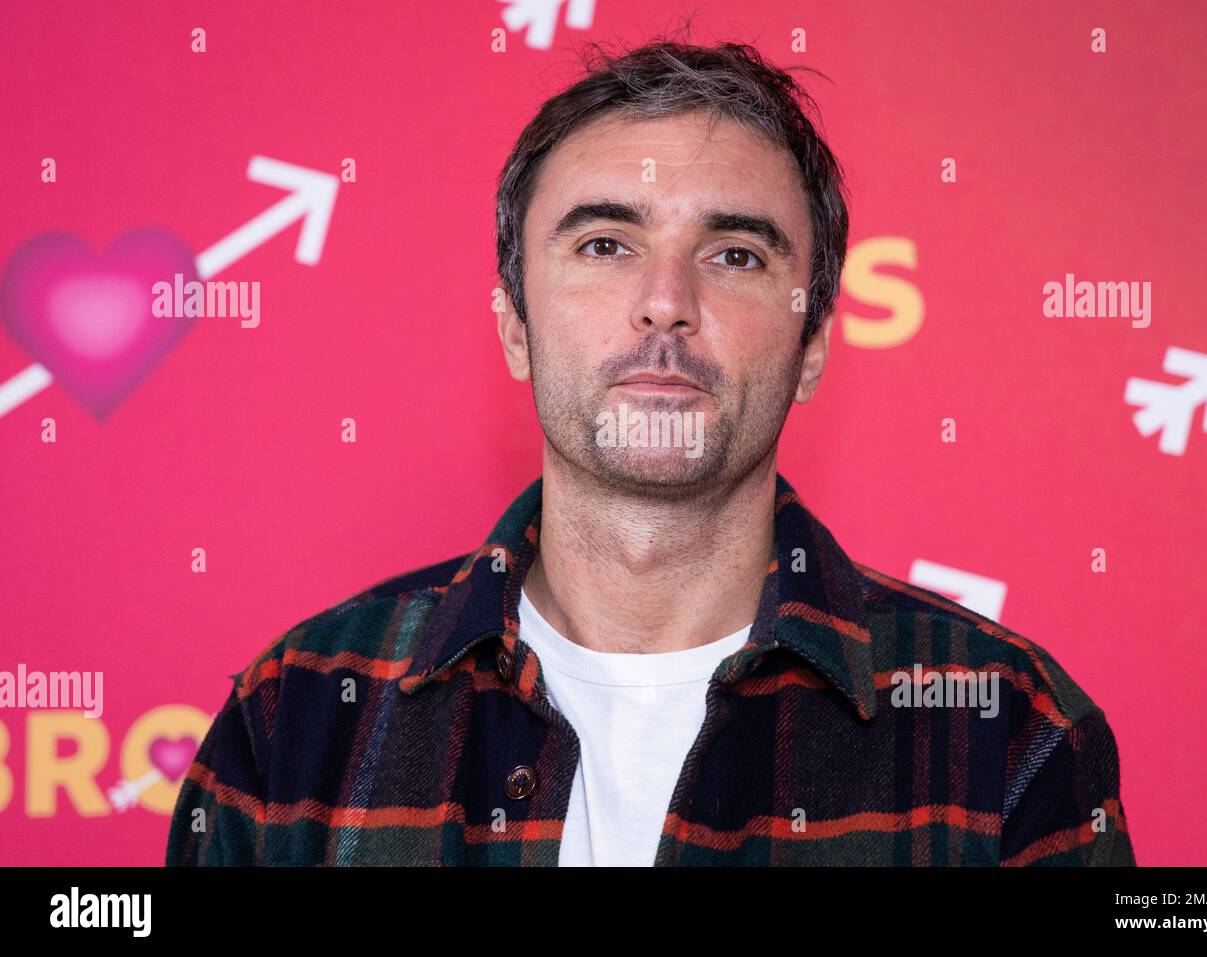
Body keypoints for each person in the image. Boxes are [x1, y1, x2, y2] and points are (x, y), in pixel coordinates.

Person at [166, 39, 1135, 867]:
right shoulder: (297, 716)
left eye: (736, 255)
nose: (666, 299)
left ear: (811, 350)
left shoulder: (1004, 730)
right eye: (603, 245)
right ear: (513, 327)